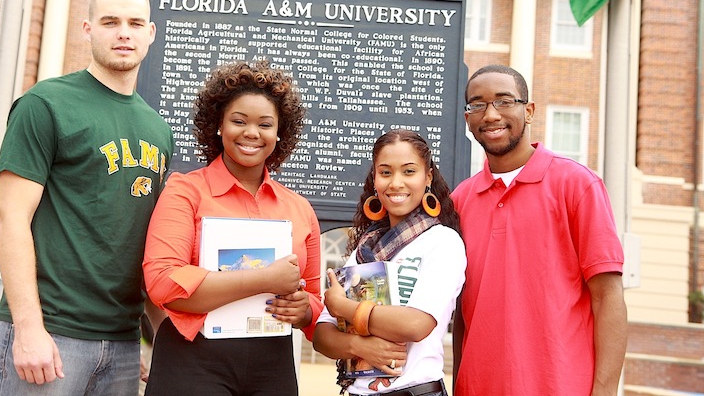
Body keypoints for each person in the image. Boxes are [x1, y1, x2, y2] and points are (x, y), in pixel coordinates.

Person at [0, 0, 175, 396]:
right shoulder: (46, 104)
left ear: (150, 33)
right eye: (110, 21)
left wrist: (161, 340)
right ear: (87, 29)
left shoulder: (158, 130)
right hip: (48, 335)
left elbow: (145, 246)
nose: (124, 32)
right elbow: (10, 219)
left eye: (135, 22)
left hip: (121, 346)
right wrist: (29, 329)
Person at [142, 60, 323, 396]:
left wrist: (304, 309)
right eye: (239, 121)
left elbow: (313, 300)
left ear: (279, 132)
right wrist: (264, 279)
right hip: (192, 359)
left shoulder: (298, 209)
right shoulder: (185, 192)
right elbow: (163, 284)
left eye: (265, 124)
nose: (251, 133)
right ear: (219, 126)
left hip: (273, 366)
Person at [451, 64, 628, 396]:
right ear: (468, 118)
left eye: (504, 101)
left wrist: (603, 392)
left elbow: (608, 297)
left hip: (561, 386)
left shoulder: (577, 185)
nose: (490, 114)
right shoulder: (460, 200)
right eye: (478, 104)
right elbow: (461, 311)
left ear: (528, 110)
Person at [313, 129, 466, 396]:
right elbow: (322, 337)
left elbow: (415, 325)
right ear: (374, 179)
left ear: (427, 177)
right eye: (385, 172)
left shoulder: (442, 241)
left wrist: (344, 307)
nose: (395, 183)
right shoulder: (365, 249)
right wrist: (358, 347)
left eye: (409, 171)